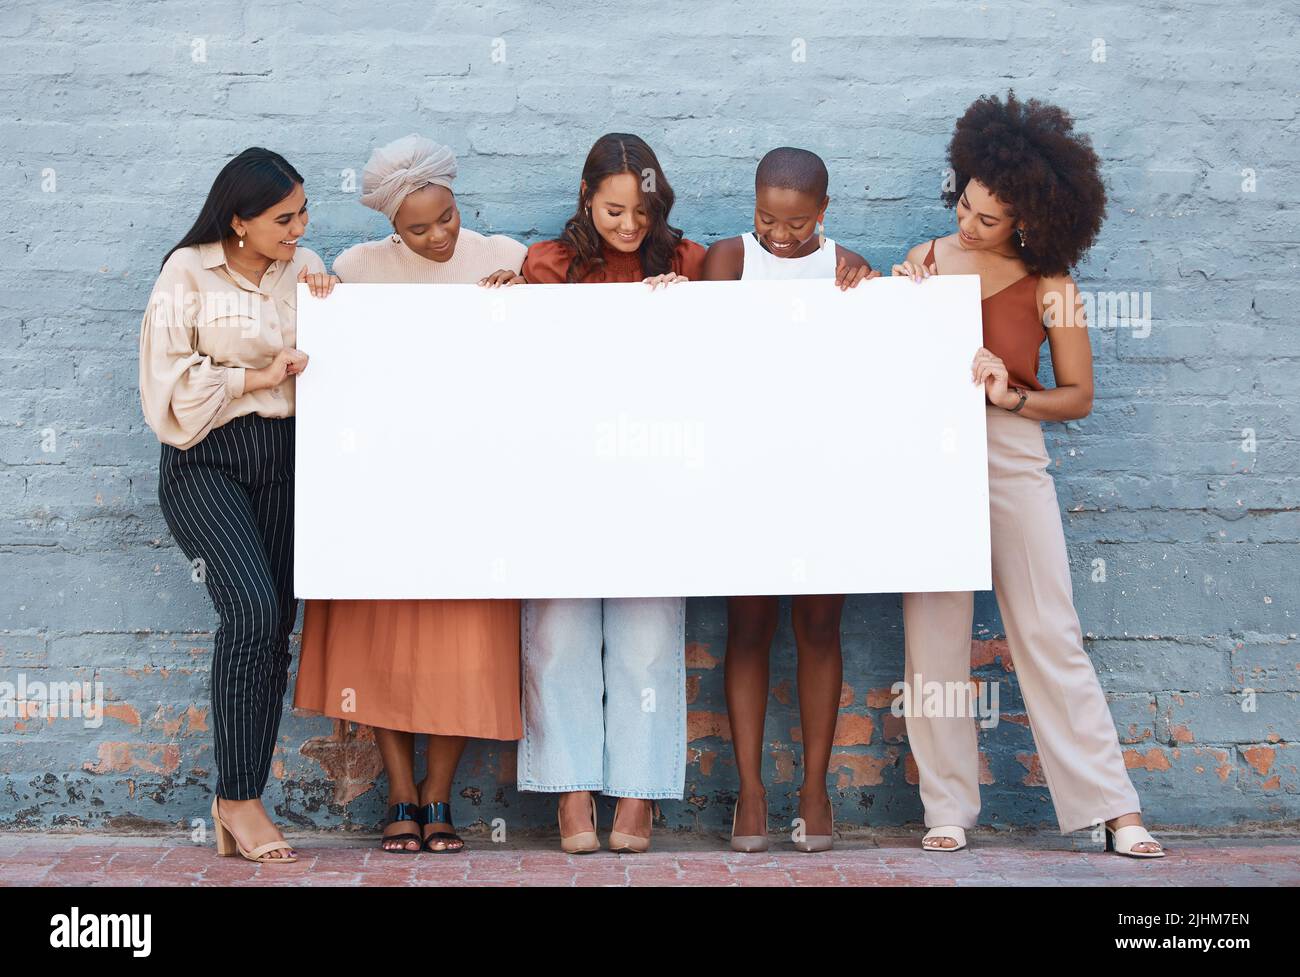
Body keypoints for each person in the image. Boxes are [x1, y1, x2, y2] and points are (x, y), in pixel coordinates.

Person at [893, 92, 1163, 858]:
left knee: (1049, 629)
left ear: (1029, 220)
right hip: (933, 456)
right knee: (934, 636)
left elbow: (1077, 394)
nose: (965, 226)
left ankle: (1114, 807)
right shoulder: (928, 260)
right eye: (964, 205)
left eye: (987, 219)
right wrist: (901, 293)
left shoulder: (1053, 286)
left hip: (1012, 452)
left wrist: (1012, 393)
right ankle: (945, 807)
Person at [293, 135, 528, 854]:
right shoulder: (358, 269)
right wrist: (326, 301)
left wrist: (524, 302)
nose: (436, 236)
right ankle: (400, 790)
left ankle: (438, 795)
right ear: (392, 226)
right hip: (386, 488)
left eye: (446, 219)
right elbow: (339, 355)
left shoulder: (505, 257)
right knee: (383, 643)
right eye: (417, 228)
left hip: (475, 483)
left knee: (468, 643)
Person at [139, 147, 337, 864]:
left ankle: (242, 794)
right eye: (284, 217)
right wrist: (256, 375)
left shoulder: (304, 264)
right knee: (250, 608)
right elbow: (168, 388)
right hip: (205, 460)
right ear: (239, 220)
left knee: (276, 622)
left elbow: (336, 352)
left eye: (304, 210)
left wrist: (330, 306)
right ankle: (237, 798)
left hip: (286, 458)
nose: (301, 226)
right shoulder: (187, 272)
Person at [513, 132, 703, 853]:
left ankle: (637, 796)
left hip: (656, 472)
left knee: (647, 637)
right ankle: (570, 791)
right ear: (587, 199)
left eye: (642, 212)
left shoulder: (687, 261)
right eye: (614, 210)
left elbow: (734, 349)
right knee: (558, 636)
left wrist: (693, 306)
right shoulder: (549, 264)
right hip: (563, 472)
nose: (629, 226)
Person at [702, 147, 879, 853]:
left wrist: (872, 284)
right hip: (745, 469)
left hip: (823, 471)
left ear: (825, 212)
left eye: (798, 222)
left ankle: (814, 789)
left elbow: (870, 360)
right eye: (767, 218)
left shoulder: (846, 265)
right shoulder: (726, 258)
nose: (780, 234)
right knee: (747, 629)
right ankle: (750, 791)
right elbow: (703, 356)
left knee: (818, 629)